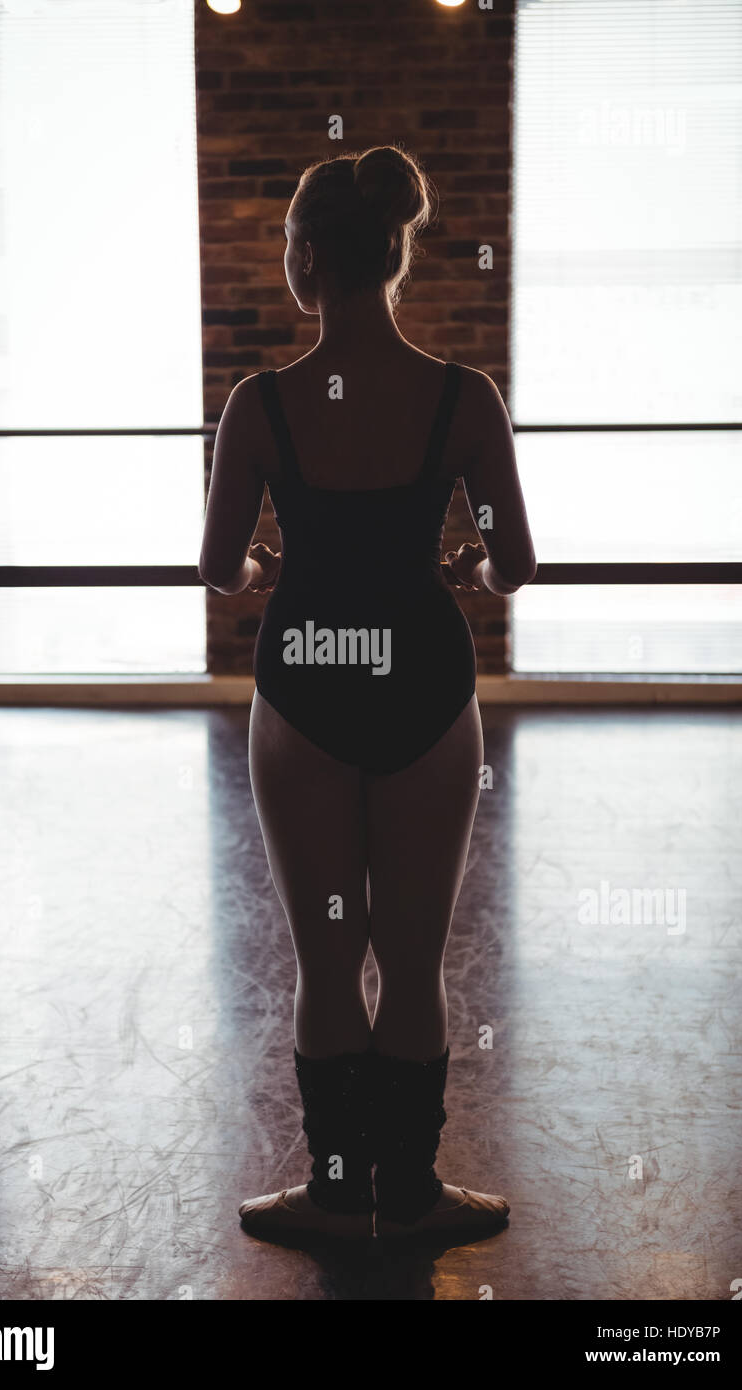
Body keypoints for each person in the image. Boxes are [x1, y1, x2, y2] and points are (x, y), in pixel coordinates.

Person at [199, 145, 536, 1242]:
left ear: (306, 263)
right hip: (427, 690)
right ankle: (416, 1194)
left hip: (305, 688)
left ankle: (340, 1194)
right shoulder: (463, 396)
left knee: (329, 957)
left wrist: (260, 571)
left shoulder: (262, 404)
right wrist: (468, 572)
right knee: (414, 954)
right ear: (395, 258)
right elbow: (514, 560)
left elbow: (220, 565)